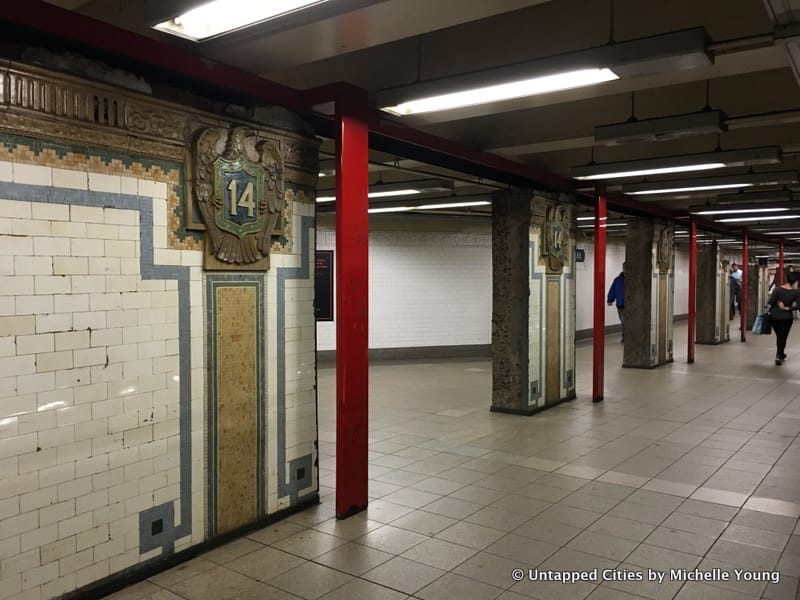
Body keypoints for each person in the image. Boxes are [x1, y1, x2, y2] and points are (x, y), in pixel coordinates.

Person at [766, 270, 800, 365]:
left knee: (779, 336)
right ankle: (779, 355)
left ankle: (780, 354)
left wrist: (766, 311)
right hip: (787, 318)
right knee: (783, 337)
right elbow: (799, 306)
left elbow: (770, 303)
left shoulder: (777, 290)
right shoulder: (796, 293)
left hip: (775, 317)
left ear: (786, 279)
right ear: (795, 282)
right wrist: (787, 308)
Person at [607, 263, 625, 342]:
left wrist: (610, 299)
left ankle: (626, 336)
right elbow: (613, 290)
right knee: (624, 322)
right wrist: (610, 300)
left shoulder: (618, 280)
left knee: (625, 322)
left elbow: (613, 290)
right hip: (621, 305)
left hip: (626, 305)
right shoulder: (618, 280)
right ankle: (625, 336)